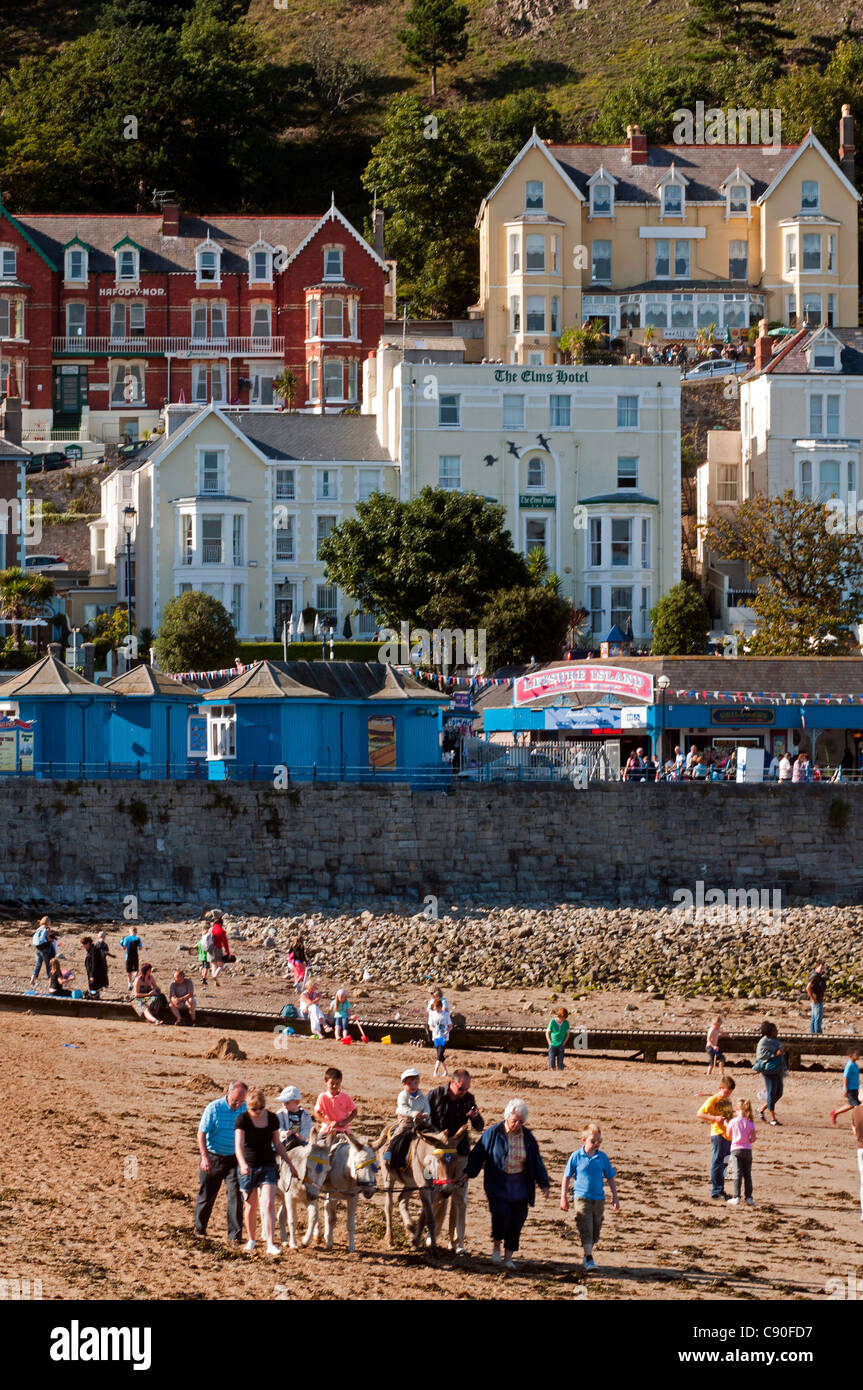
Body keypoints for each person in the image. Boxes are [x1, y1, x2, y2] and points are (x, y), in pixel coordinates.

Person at [465, 1098, 550, 1270]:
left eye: (521, 1121)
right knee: (502, 1215)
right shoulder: (493, 1133)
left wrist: (544, 1183)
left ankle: (508, 1258)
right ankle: (496, 1245)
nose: (517, 1124)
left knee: (517, 1220)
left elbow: (536, 1161)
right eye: (514, 1120)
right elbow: (478, 1154)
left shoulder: (527, 1137)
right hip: (498, 1183)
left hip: (520, 1185)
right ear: (507, 1117)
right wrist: (468, 1173)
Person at [235, 1088, 297, 1256]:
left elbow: (277, 1144)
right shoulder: (242, 1120)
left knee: (268, 1203)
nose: (257, 1112)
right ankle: (252, 1240)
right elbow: (238, 1146)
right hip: (248, 1167)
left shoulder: (271, 1119)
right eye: (253, 1109)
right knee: (251, 1205)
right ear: (247, 1107)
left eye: (260, 1108)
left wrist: (290, 1164)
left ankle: (270, 1242)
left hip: (268, 1165)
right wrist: (242, 1164)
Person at [428, 1070, 484, 1255]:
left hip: (460, 1154)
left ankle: (457, 1242)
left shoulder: (469, 1099)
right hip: (439, 1155)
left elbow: (480, 1127)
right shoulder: (435, 1095)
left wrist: (475, 1117)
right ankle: (432, 1236)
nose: (464, 1092)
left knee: (460, 1197)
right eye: (461, 1088)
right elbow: (424, 1122)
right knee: (440, 1195)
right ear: (452, 1082)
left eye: (467, 1088)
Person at [560, 1122, 620, 1271]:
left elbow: (610, 1177)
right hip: (581, 1197)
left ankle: (588, 1254)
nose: (596, 1144)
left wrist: (615, 1196)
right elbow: (566, 1177)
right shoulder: (576, 1156)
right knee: (585, 1225)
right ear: (584, 1140)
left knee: (595, 1229)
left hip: (599, 1199)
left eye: (599, 1141)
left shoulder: (602, 1157)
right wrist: (564, 1197)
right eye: (593, 1141)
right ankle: (588, 1257)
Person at [196, 1082, 248, 1241]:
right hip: (214, 1157)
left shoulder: (245, 1109)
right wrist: (204, 1157)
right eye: (235, 1100)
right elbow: (201, 1134)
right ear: (228, 1093)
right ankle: (199, 1229)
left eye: (241, 1101)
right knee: (207, 1194)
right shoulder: (214, 1108)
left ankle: (235, 1235)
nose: (237, 1104)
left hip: (234, 1159)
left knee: (235, 1196)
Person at [697, 1076, 736, 1199]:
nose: (727, 1094)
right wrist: (714, 1118)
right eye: (726, 1092)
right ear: (720, 1088)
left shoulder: (728, 1101)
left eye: (730, 1092)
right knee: (718, 1161)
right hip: (718, 1134)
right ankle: (716, 1191)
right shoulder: (713, 1099)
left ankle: (721, 1189)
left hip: (728, 1135)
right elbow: (700, 1113)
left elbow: (729, 1117)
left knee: (725, 1162)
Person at [724, 1098, 756, 1205]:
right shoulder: (750, 1123)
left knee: (737, 1173)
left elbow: (728, 1135)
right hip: (747, 1150)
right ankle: (749, 1197)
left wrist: (726, 1125)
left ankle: (736, 1196)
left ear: (737, 1110)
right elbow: (752, 1139)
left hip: (736, 1149)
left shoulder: (733, 1122)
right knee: (747, 1174)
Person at [754, 1021, 786, 1125]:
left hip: (777, 1069)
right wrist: (774, 1055)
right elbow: (760, 1055)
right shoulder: (763, 1041)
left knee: (779, 1093)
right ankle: (773, 1119)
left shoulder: (776, 1040)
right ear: (770, 1031)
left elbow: (780, 1051)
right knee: (772, 1093)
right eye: (775, 1030)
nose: (777, 1031)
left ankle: (761, 1109)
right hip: (768, 1071)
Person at [314, 1067, 357, 1138]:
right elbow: (316, 1113)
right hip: (326, 1131)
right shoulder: (322, 1097)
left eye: (337, 1083)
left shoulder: (345, 1097)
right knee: (316, 1146)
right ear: (325, 1082)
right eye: (332, 1083)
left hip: (343, 1131)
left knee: (356, 1147)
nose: (335, 1086)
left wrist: (345, 1122)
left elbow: (354, 1111)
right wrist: (329, 1122)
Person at [831, 1047, 860, 1124]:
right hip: (850, 1089)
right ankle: (856, 1122)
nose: (858, 1056)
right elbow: (845, 1077)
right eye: (856, 1054)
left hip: (855, 1088)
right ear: (850, 1055)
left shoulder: (855, 1065)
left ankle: (835, 1113)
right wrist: (846, 1090)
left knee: (852, 1105)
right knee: (856, 1106)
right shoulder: (849, 1065)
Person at [428, 994, 452, 1078]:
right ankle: (445, 1072)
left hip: (444, 1038)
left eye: (438, 1008)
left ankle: (435, 1072)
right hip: (436, 1037)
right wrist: (434, 1030)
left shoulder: (445, 1014)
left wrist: (446, 1032)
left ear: (441, 1007)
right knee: (440, 1055)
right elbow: (430, 1026)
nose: (437, 1009)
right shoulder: (432, 1014)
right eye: (435, 1008)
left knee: (439, 1055)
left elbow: (450, 1026)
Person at [28, 919, 57, 989]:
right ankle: (50, 983)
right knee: (48, 966)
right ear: (48, 922)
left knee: (38, 964)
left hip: (38, 949)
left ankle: (32, 980)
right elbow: (48, 938)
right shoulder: (46, 928)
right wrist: (52, 940)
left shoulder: (39, 928)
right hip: (44, 949)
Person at [82, 934, 108, 999]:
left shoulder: (94, 951)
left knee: (93, 988)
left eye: (83, 944)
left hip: (95, 974)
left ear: (88, 944)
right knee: (93, 989)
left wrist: (92, 975)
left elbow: (94, 964)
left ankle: (94, 1000)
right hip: (92, 973)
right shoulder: (91, 950)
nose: (83, 946)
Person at [546, 1007, 571, 1071]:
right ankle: (553, 1072)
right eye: (562, 1018)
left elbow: (568, 1034)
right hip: (552, 1044)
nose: (563, 1019)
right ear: (559, 1016)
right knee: (551, 1060)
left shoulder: (566, 1023)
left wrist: (563, 1043)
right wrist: (550, 1043)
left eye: (564, 1018)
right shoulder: (552, 1021)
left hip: (561, 1045)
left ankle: (560, 1073)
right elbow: (547, 1033)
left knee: (560, 1060)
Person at [807, 961, 827, 1035]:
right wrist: (812, 998)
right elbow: (808, 988)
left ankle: (812, 1034)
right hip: (816, 1001)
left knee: (814, 1018)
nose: (822, 970)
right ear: (816, 967)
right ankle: (817, 1035)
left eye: (822, 969)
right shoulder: (815, 977)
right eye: (820, 968)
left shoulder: (816, 976)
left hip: (816, 1000)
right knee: (817, 1019)